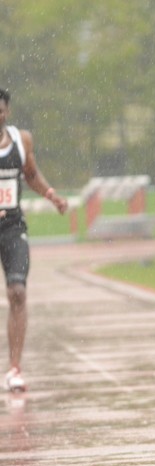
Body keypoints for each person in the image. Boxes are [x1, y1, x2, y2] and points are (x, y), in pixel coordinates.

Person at [0, 88, 69, 392]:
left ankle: (15, 369)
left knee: (17, 292)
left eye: (0, 110)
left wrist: (52, 195)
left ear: (7, 112)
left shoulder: (21, 140)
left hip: (13, 226)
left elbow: (31, 174)